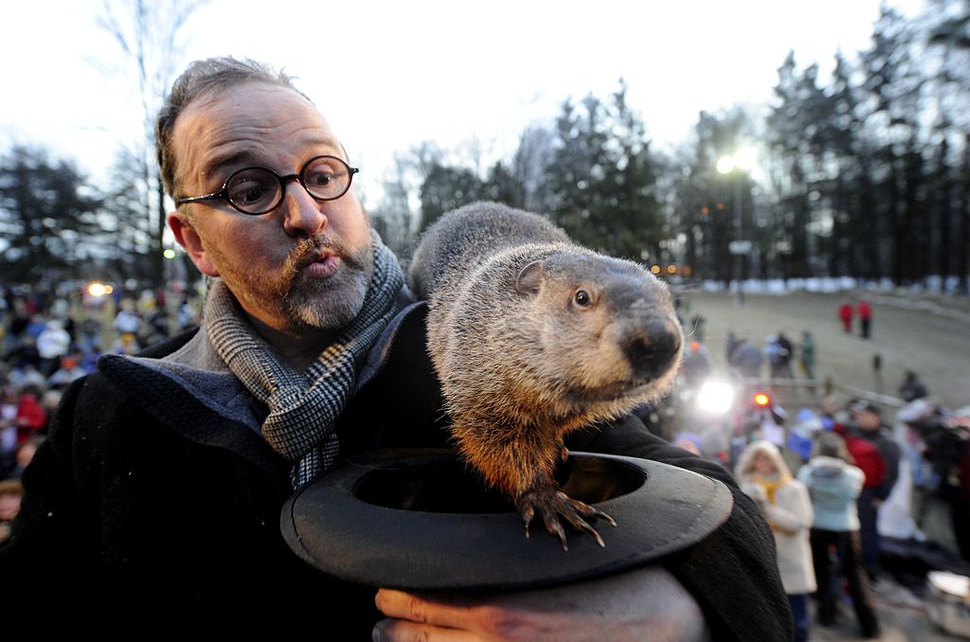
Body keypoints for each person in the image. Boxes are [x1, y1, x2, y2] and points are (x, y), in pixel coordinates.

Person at [0, 57, 791, 639]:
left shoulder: (476, 351)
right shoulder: (110, 414)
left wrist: (687, 613)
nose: (306, 212)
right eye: (248, 188)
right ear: (192, 240)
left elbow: (707, 507)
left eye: (322, 172)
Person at [798, 432, 880, 638]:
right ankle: (869, 626)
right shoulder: (855, 474)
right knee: (854, 575)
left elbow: (804, 495)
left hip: (817, 526)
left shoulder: (806, 472)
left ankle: (826, 614)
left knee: (822, 572)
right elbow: (855, 494)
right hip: (846, 527)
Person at [736, 441, 816, 642]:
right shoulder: (744, 488)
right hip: (760, 561)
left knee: (797, 621)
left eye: (766, 458)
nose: (761, 463)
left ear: (776, 461)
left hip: (790, 561)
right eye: (757, 458)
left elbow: (800, 522)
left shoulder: (794, 488)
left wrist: (767, 508)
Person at [851, 401, 901, 579]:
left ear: (875, 417)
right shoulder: (854, 436)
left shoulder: (885, 442)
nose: (860, 419)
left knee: (868, 532)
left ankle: (869, 569)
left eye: (864, 415)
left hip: (870, 494)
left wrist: (882, 495)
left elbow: (891, 472)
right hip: (852, 492)